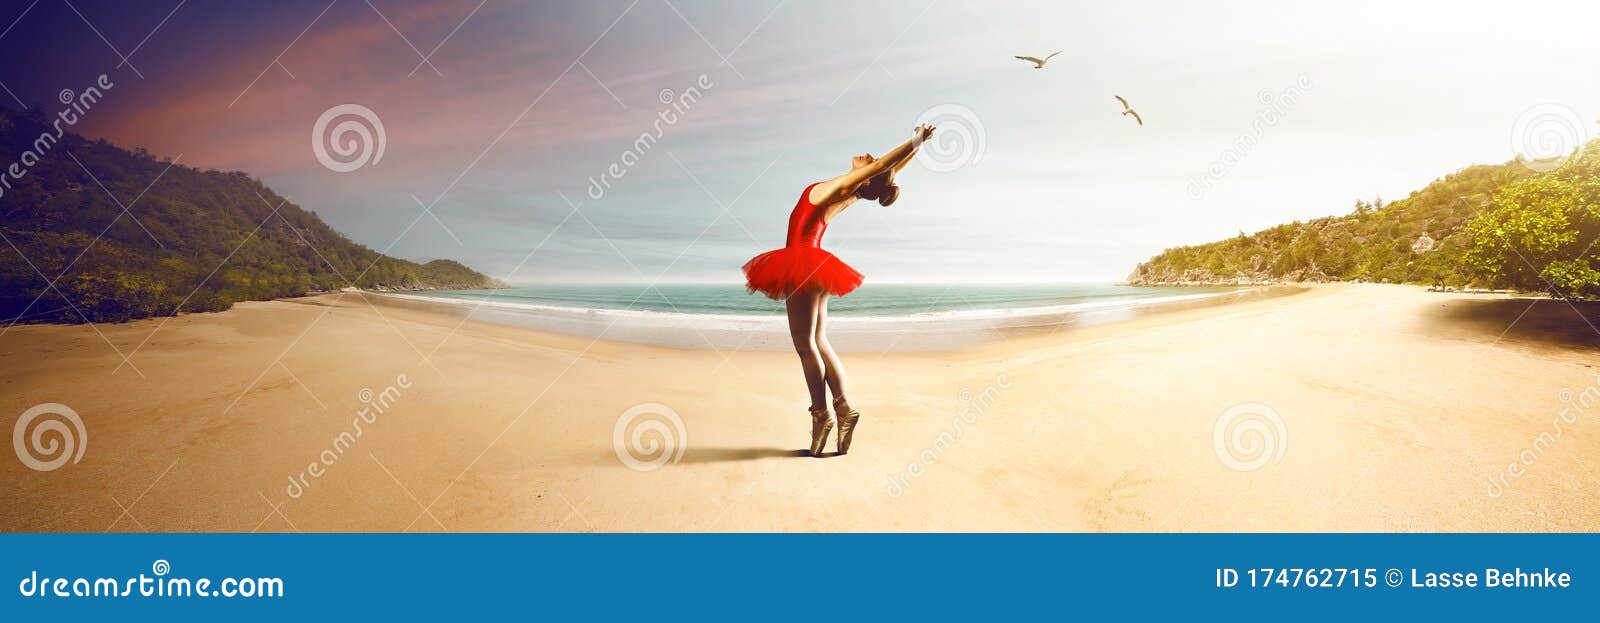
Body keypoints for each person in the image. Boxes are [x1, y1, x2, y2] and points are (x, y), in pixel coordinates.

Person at [742, 124, 935, 457]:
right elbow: (884, 171)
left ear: (864, 177)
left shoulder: (842, 187)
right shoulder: (848, 193)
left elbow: (880, 169)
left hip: (800, 263)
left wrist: (915, 141)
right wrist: (913, 153)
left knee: (805, 346)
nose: (868, 156)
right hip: (816, 265)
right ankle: (844, 410)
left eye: (871, 162)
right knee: (818, 341)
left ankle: (822, 416)